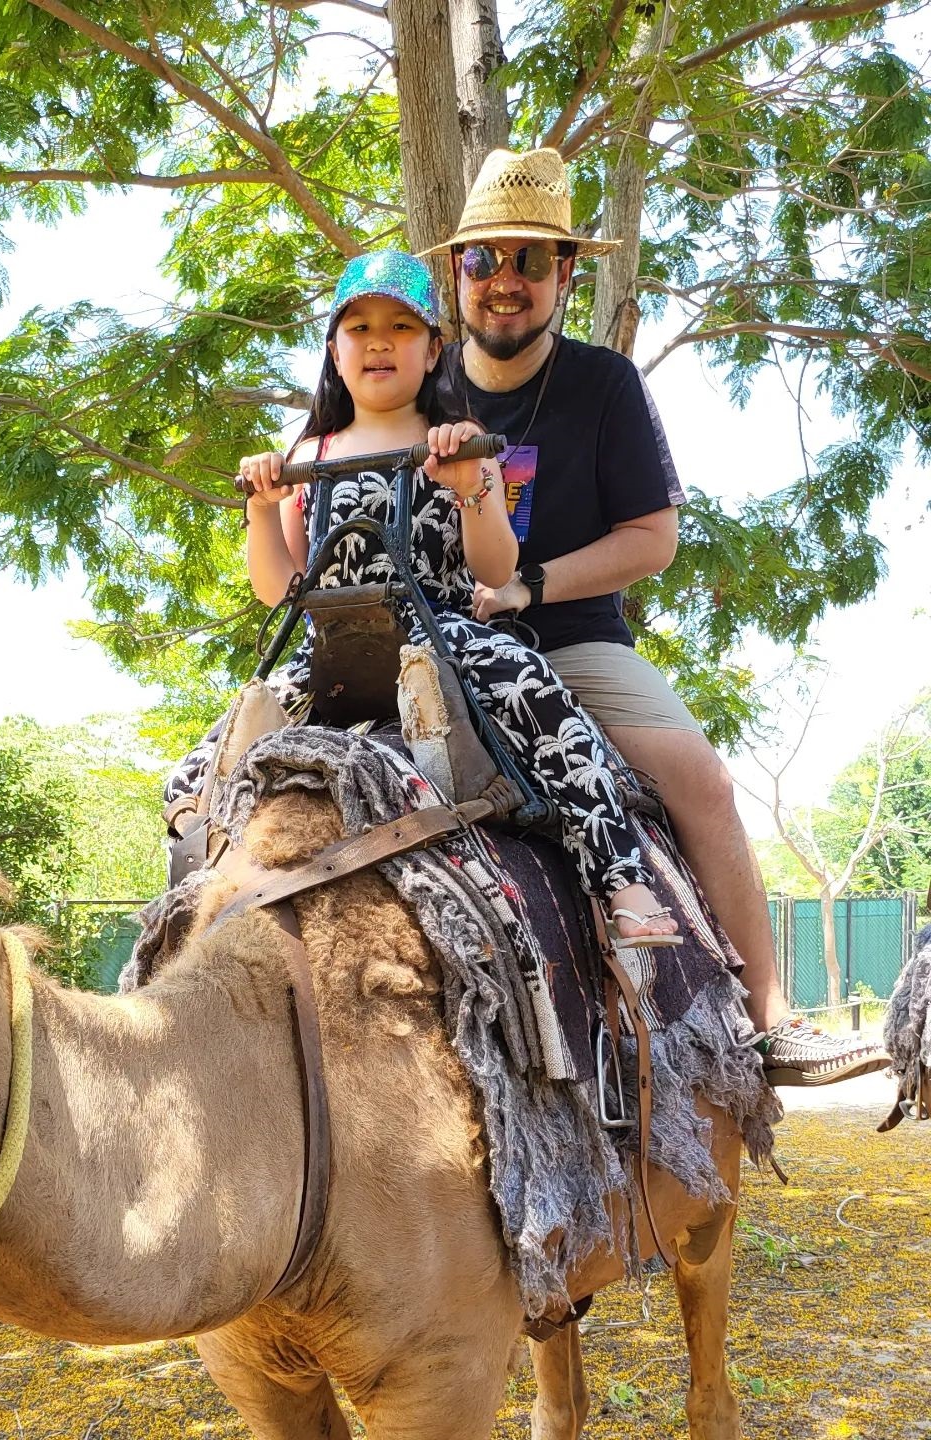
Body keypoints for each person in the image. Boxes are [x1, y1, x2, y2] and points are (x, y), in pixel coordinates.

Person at [420, 146, 889, 1087]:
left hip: (573, 639)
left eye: (530, 261)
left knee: (703, 782)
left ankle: (769, 1020)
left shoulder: (604, 386)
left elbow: (652, 537)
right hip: (436, 650)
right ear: (456, 274)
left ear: (567, 272)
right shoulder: (419, 385)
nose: (504, 282)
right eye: (483, 261)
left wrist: (531, 587)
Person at [181, 248, 681, 946]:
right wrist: (264, 508)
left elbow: (495, 563)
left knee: (540, 697)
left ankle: (621, 880)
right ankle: (189, 893)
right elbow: (278, 586)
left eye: (402, 327)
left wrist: (472, 483)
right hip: (331, 651)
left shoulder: (457, 440)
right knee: (206, 762)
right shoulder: (308, 451)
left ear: (434, 348)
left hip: (440, 636)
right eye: (358, 328)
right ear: (333, 347)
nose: (379, 342)